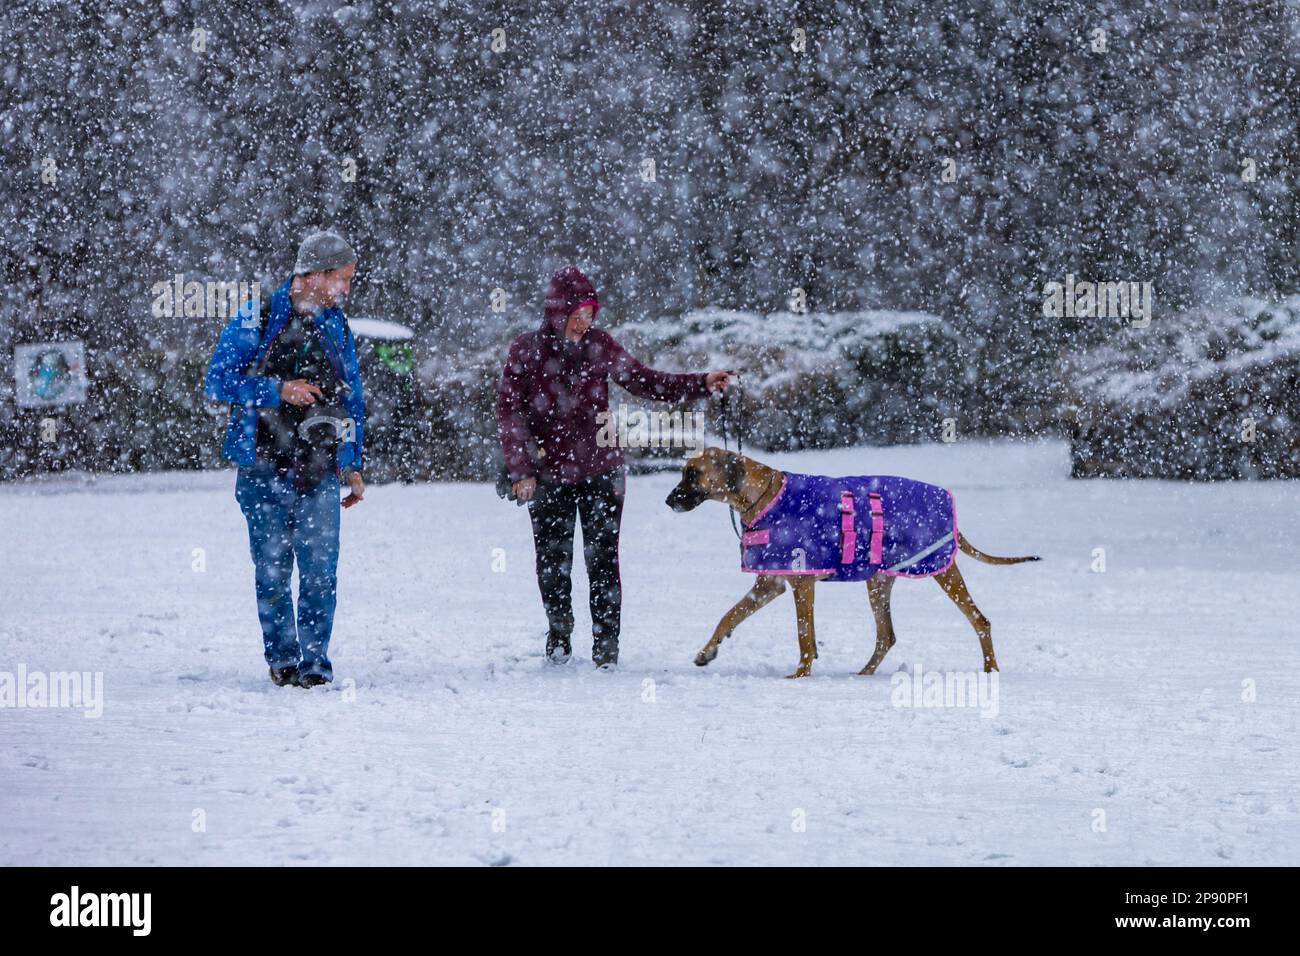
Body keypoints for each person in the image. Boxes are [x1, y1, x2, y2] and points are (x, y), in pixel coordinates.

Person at [497, 266, 733, 669]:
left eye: (591, 314)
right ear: (558, 313)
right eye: (578, 315)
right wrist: (522, 470)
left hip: (601, 470)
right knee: (553, 564)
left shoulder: (600, 346)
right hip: (549, 474)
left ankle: (607, 646)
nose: (585, 323)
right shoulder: (526, 350)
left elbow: (646, 381)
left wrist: (702, 383)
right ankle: (560, 633)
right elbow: (509, 412)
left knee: (603, 561)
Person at [204, 230, 367, 688]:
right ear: (313, 274)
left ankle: (315, 663)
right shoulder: (257, 315)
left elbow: (352, 397)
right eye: (341, 279)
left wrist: (351, 462)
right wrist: (278, 390)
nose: (345, 290)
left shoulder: (338, 324)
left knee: (321, 572)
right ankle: (283, 659)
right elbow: (217, 381)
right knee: (273, 573)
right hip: (261, 469)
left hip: (318, 470)